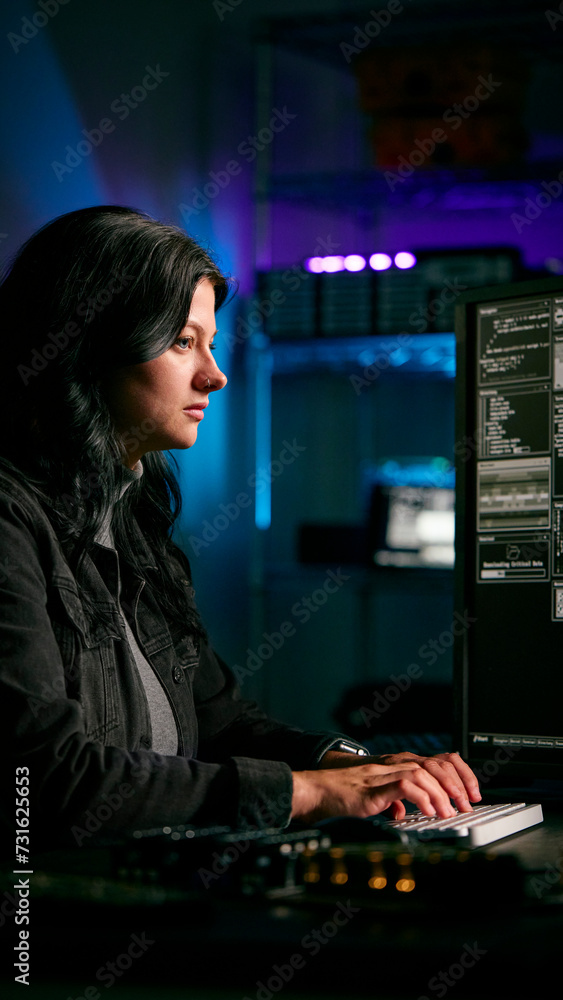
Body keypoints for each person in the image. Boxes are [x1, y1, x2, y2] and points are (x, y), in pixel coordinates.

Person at [0, 206, 480, 852]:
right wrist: (307, 796)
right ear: (91, 345)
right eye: (182, 342)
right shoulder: (10, 519)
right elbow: (46, 781)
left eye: (212, 344)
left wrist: (349, 763)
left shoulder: (134, 524)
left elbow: (220, 722)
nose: (215, 375)